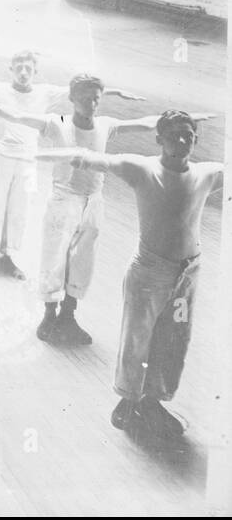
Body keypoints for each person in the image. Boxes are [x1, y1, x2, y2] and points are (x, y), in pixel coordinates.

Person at [0, 79, 215, 346]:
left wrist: (190, 117)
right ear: (72, 98)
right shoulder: (56, 121)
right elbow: (18, 115)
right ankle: (48, 316)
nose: (91, 104)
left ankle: (68, 315)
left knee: (83, 260)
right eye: (85, 98)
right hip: (63, 199)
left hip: (94, 201)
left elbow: (146, 122)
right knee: (54, 257)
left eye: (96, 99)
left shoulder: (105, 124)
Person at [35, 111, 221, 441]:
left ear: (196, 138)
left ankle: (153, 401)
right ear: (159, 138)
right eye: (174, 134)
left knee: (175, 337)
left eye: (188, 134)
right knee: (137, 339)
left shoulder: (208, 174)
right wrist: (31, 153)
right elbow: (87, 157)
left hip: (187, 276)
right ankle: (128, 398)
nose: (182, 140)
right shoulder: (142, 168)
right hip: (149, 273)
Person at [0, 52, 142, 280]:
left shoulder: (45, 92)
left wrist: (114, 92)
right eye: (19, 68)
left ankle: (8, 257)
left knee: (20, 210)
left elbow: (79, 92)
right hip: (2, 155)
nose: (23, 73)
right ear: (11, 70)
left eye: (28, 68)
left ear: (35, 71)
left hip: (28, 157)